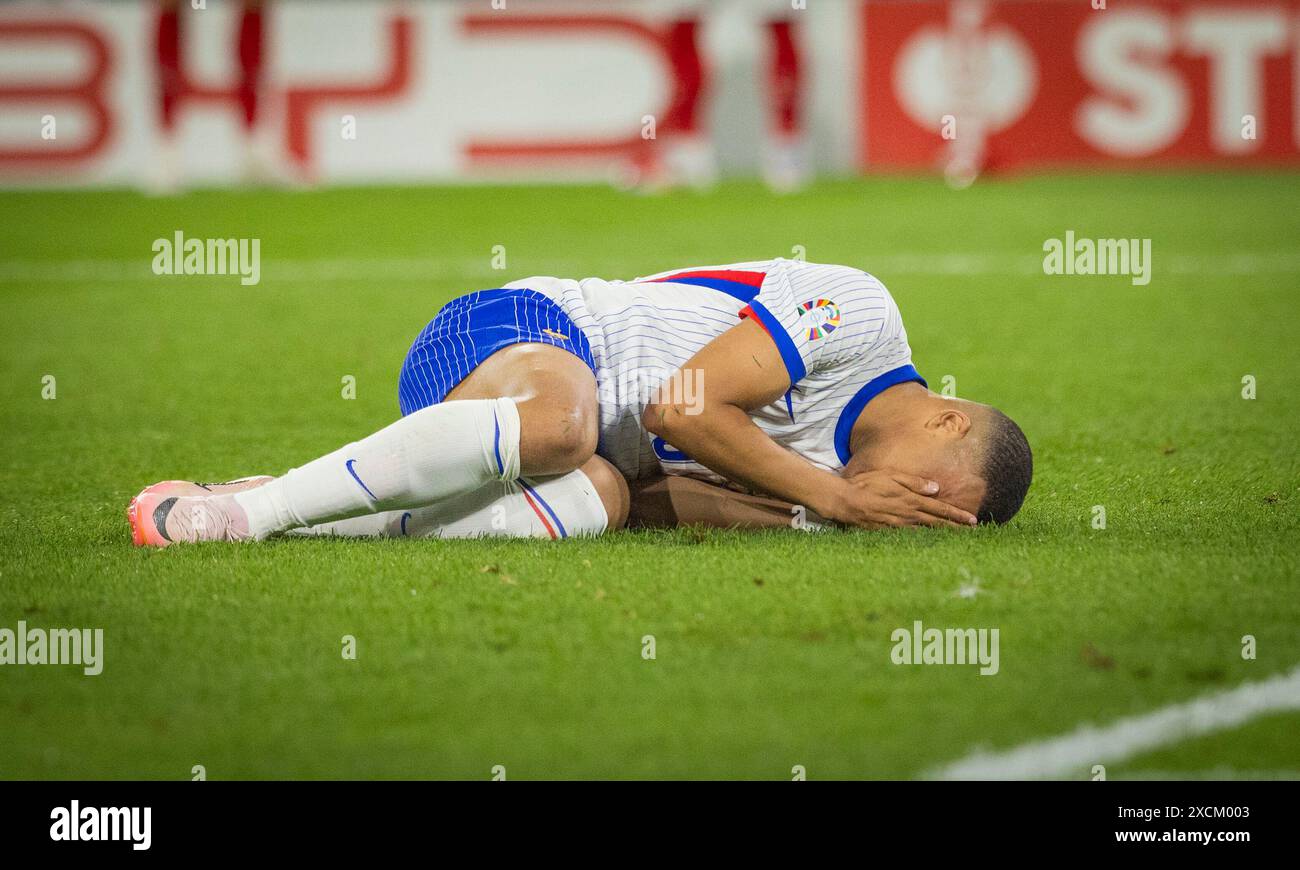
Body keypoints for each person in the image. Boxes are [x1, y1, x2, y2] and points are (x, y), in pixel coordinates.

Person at [128, 258, 1032, 546]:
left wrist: (807, 512)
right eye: (928, 498)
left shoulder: (830, 489)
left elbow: (648, 498)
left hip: (536, 443)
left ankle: (273, 513)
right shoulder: (860, 312)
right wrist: (826, 497)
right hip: (527, 330)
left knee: (594, 500)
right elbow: (679, 407)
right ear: (949, 421)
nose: (900, 512)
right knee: (568, 432)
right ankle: (261, 508)